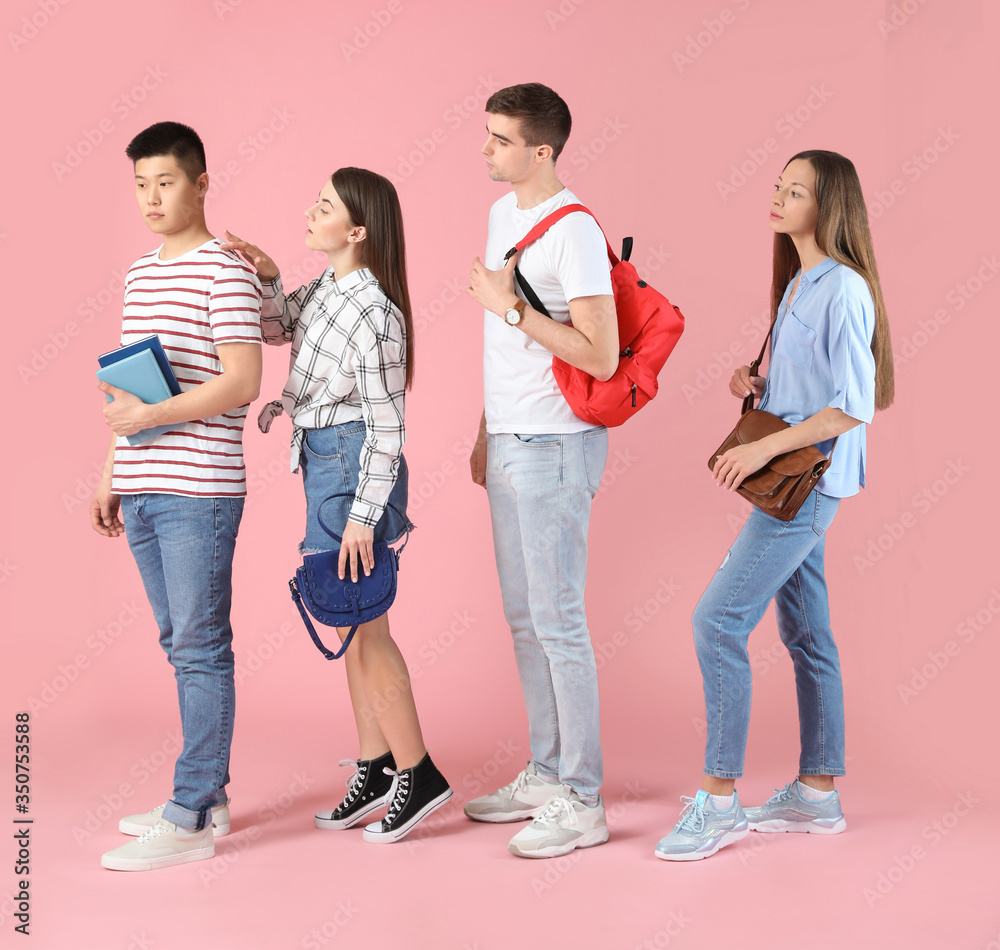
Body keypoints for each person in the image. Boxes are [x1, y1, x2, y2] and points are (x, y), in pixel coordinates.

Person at [655, 150, 894, 861]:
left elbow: (853, 406)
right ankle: (818, 793)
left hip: (808, 483)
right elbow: (808, 384)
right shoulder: (798, 284)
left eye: (797, 191)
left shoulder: (843, 288)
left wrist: (762, 448)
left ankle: (719, 799)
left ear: (829, 208)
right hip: (797, 476)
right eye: (779, 186)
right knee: (808, 638)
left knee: (716, 621)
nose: (779, 197)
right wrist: (754, 381)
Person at [223, 167, 452, 844]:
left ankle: (419, 774)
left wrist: (360, 516)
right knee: (352, 621)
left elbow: (389, 429)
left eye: (324, 206)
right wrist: (266, 275)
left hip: (353, 467)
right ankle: (379, 766)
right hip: (324, 461)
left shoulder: (377, 314)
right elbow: (276, 328)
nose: (309, 210)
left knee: (369, 626)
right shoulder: (328, 286)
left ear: (356, 230)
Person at [92, 121, 263, 871]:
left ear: (200, 183)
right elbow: (128, 383)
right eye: (139, 185)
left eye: (165, 182)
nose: (152, 197)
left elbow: (243, 381)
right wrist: (112, 469)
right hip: (143, 485)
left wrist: (147, 420)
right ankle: (210, 794)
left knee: (199, 647)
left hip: (200, 489)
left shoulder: (224, 271)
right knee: (179, 643)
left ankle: (190, 811)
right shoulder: (138, 273)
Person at [465, 82, 619, 859]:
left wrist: (511, 307)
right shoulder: (502, 217)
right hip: (513, 441)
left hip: (558, 446)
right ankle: (548, 773)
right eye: (487, 135)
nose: (485, 150)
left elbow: (600, 353)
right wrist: (486, 430)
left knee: (559, 622)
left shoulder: (577, 231)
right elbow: (505, 352)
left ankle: (584, 799)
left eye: (499, 139)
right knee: (525, 618)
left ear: (542, 151)